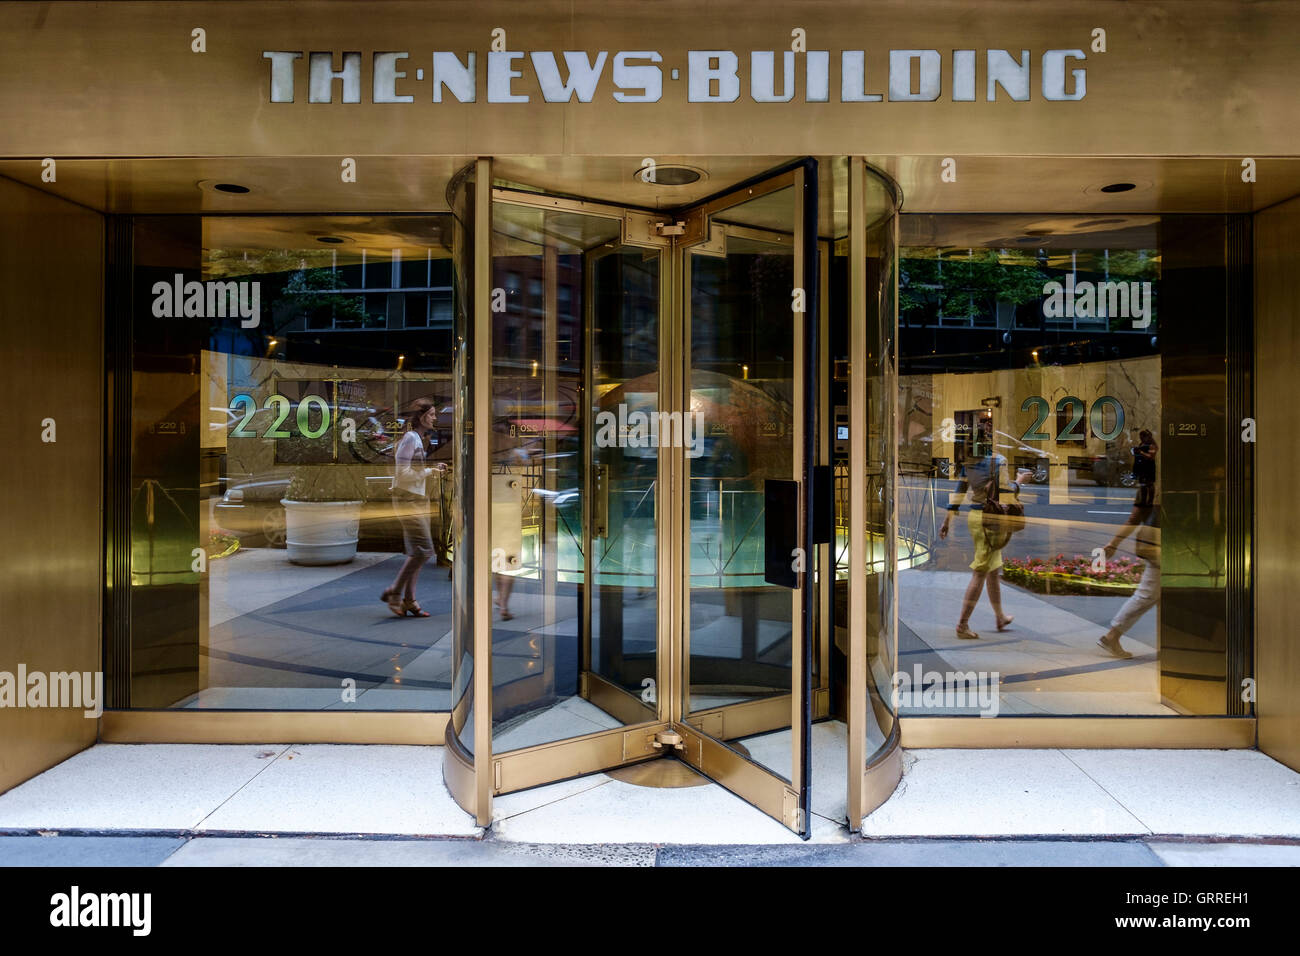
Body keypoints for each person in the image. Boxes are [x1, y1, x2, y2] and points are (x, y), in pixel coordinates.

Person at [939, 437, 1031, 640]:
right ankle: (962, 625)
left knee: (991, 570)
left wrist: (947, 521)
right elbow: (1006, 494)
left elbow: (958, 493)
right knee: (980, 572)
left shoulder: (968, 463)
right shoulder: (998, 462)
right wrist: (1020, 482)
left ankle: (999, 617)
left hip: (975, 518)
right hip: (990, 520)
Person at [382, 398, 442, 618]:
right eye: (432, 414)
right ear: (422, 416)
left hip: (415, 499)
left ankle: (409, 600)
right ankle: (395, 592)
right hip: (408, 500)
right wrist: (429, 472)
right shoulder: (410, 438)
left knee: (416, 551)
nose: (435, 418)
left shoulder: (416, 438)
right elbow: (403, 474)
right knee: (425, 550)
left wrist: (432, 469)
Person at [1097, 501, 1160, 659]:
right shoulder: (1153, 487)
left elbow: (1134, 518)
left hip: (1159, 545)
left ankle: (1168, 643)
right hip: (1163, 547)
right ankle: (1112, 636)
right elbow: (1134, 518)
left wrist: (1114, 543)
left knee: (1157, 594)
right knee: (1147, 594)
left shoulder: (1149, 486)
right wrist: (1113, 544)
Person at [1132, 428, 1158, 507]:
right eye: (1141, 438)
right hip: (1142, 466)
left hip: (1149, 466)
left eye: (1143, 437)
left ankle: (1150, 502)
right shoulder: (1142, 444)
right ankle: (1143, 501)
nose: (1141, 439)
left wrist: (1141, 452)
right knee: (1143, 484)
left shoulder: (1151, 445)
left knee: (1149, 484)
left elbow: (1151, 457)